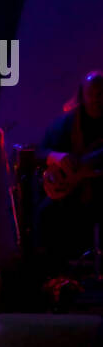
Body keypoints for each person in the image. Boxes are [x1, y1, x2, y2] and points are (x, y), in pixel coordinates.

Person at [36, 70, 103, 272]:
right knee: (46, 213)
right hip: (72, 197)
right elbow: (40, 152)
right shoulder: (65, 124)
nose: (95, 99)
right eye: (91, 94)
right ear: (82, 95)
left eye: (100, 94)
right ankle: (55, 277)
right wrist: (56, 157)